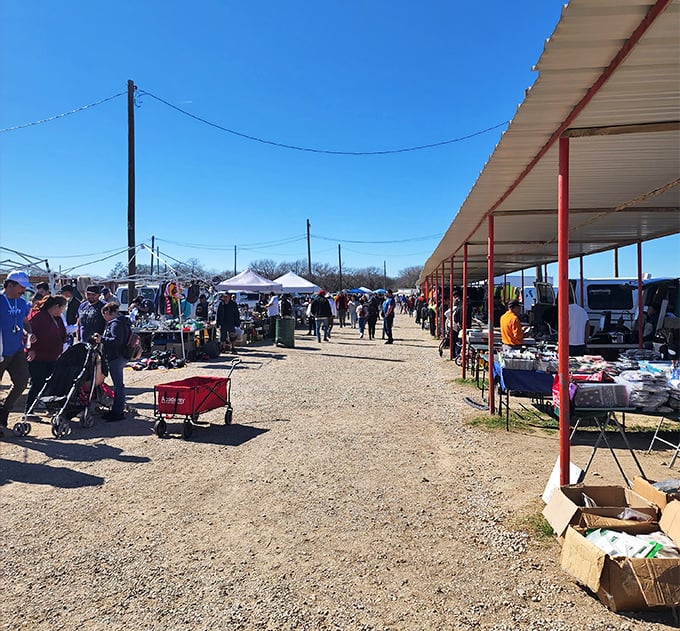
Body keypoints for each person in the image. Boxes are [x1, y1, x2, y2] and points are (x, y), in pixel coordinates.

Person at [0, 271, 34, 431]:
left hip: (17, 350)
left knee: (22, 382)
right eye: (21, 287)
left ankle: (4, 410)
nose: (23, 291)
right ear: (10, 285)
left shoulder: (21, 303)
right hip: (1, 352)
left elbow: (24, 320)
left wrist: (29, 332)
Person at [24, 295, 68, 416]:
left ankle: (50, 407)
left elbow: (62, 334)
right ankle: (29, 410)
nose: (63, 311)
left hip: (52, 357)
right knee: (38, 383)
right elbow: (28, 334)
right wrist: (30, 349)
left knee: (51, 383)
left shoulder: (57, 319)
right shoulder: (38, 317)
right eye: (63, 308)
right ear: (56, 306)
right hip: (37, 356)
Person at [94, 302, 129, 422]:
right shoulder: (121, 322)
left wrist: (101, 339)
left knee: (118, 385)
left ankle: (118, 412)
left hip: (116, 357)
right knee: (118, 385)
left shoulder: (116, 324)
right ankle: (117, 410)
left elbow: (116, 341)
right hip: (120, 356)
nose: (104, 317)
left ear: (109, 313)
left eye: (104, 314)